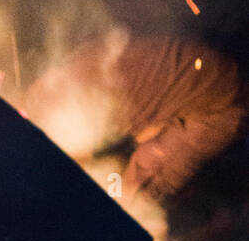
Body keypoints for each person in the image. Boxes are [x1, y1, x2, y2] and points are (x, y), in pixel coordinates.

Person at [20, 31, 247, 201]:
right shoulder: (60, 89)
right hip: (187, 78)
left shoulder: (75, 109)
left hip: (220, 103)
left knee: (144, 180)